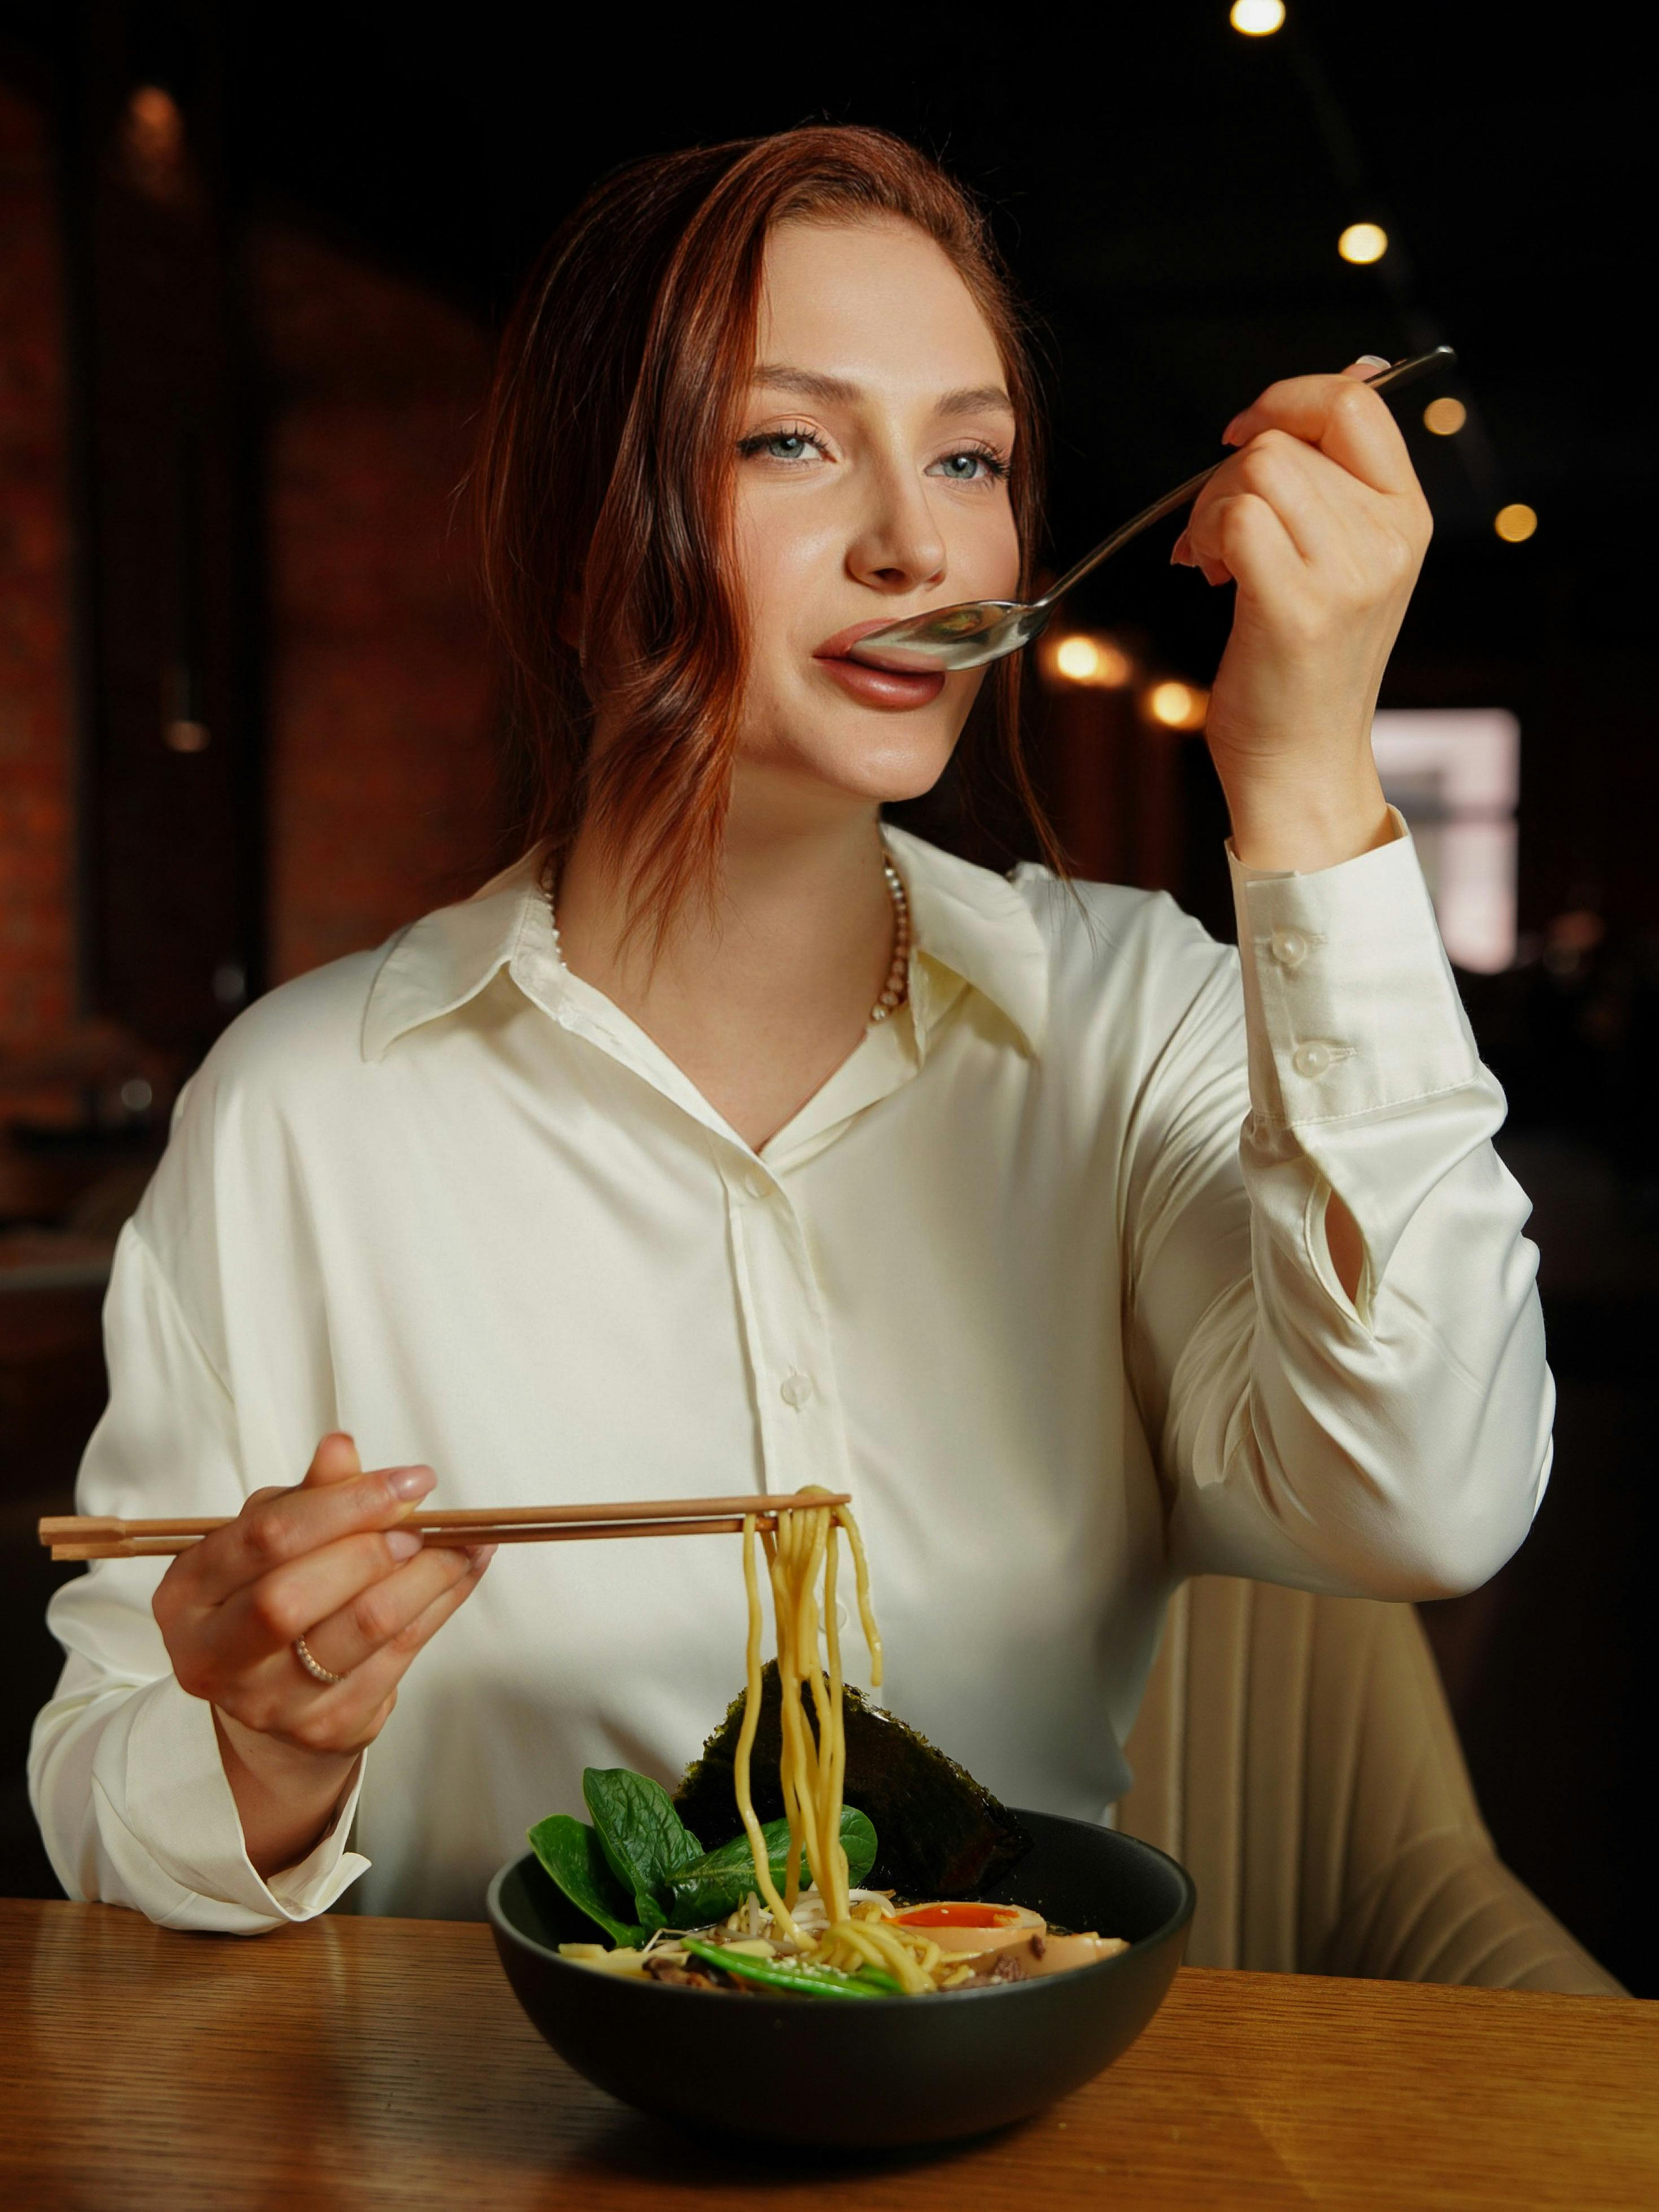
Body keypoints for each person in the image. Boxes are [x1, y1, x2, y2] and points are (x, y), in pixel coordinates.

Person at [30, 126, 1549, 1928]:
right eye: (791, 441)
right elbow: (103, 1798)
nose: (917, 541)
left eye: (968, 456)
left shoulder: (1138, 1018)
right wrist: (263, 1755)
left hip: (1002, 2110)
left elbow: (1426, 1504)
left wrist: (1301, 785)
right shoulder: (303, 1107)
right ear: (588, 517)